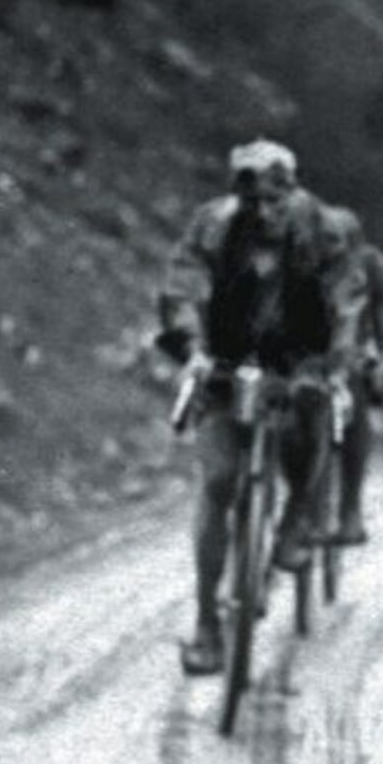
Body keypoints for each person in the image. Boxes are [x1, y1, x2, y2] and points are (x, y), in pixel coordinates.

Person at [153, 139, 365, 675]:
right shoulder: (214, 227)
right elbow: (183, 287)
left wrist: (336, 361)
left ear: (290, 193)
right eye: (253, 202)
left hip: (299, 358)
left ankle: (296, 519)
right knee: (219, 479)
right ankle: (207, 624)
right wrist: (193, 348)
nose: (265, 213)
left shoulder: (319, 226)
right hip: (226, 360)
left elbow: (346, 297)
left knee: (312, 427)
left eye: (275, 201)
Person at [313, 198, 383, 549]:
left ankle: (350, 508)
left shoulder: (372, 266)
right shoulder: (299, 264)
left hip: (354, 351)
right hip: (307, 351)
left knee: (354, 405)